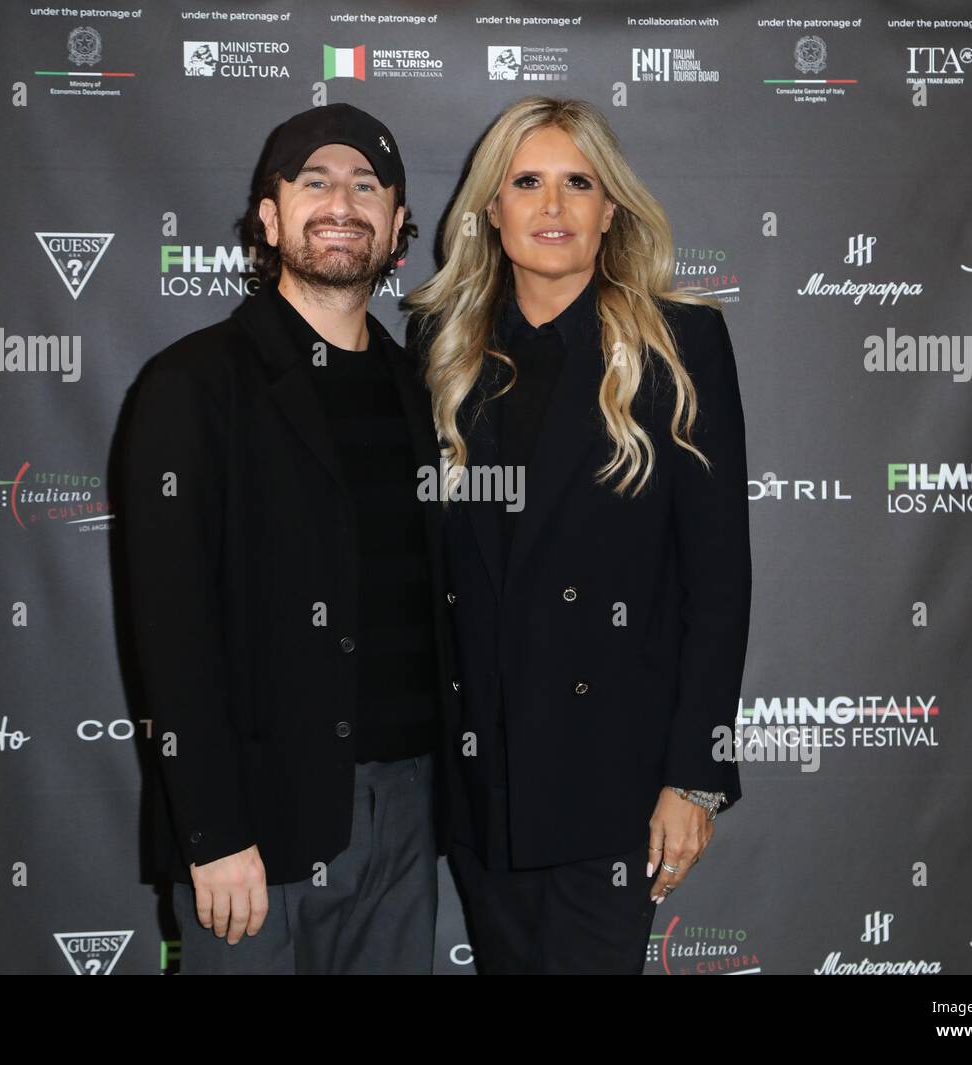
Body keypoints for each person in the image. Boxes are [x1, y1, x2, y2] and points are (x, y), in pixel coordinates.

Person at [403, 96, 752, 974]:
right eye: (527, 182)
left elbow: (718, 580)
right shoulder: (438, 347)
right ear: (491, 207)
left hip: (615, 777)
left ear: (610, 210)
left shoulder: (681, 343)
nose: (551, 207)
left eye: (576, 184)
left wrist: (694, 775)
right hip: (485, 775)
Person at [117, 103, 455, 974]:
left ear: (396, 227)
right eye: (315, 181)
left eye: (367, 186)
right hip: (256, 831)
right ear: (269, 217)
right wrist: (213, 831)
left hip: (409, 815)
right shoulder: (193, 384)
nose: (342, 202)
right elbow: (169, 627)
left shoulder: (423, 389)